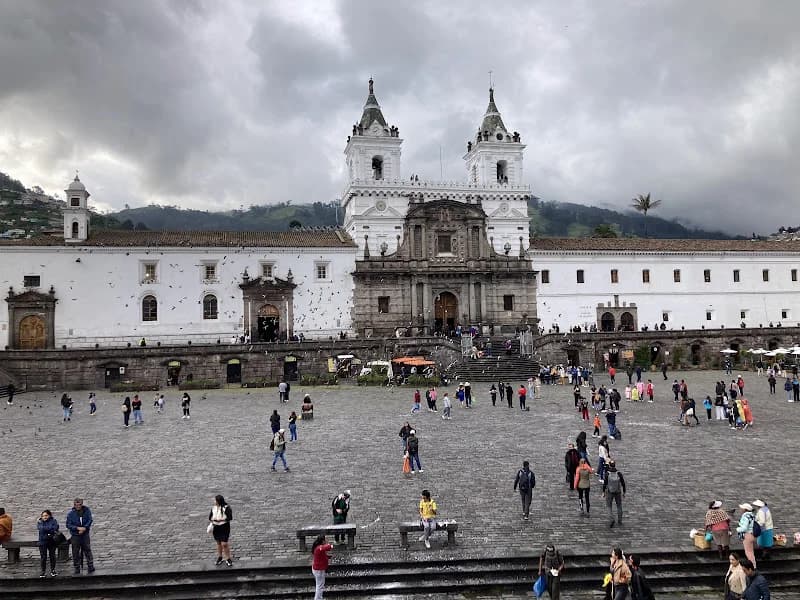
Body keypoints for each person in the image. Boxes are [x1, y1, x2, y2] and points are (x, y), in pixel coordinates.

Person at [66, 498, 94, 575]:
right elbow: (68, 524)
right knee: (75, 552)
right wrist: (77, 528)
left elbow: (90, 520)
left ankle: (90, 565)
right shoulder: (71, 514)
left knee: (87, 550)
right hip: (75, 535)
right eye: (76, 505)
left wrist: (85, 528)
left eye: (79, 505)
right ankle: (77, 567)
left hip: (85, 534)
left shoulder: (87, 511)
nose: (78, 506)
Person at [209, 494, 233, 567]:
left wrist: (221, 520)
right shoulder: (213, 508)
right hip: (216, 527)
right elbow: (210, 517)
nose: (214, 501)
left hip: (224, 527)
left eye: (215, 500)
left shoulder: (226, 508)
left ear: (218, 501)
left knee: (224, 544)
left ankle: (228, 558)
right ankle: (220, 557)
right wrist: (214, 520)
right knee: (218, 543)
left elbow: (230, 517)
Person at [37, 509, 61, 577]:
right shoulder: (40, 522)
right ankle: (43, 571)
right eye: (43, 516)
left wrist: (47, 530)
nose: (44, 517)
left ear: (49, 515)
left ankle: (53, 570)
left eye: (46, 515)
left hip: (51, 541)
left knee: (52, 556)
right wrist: (50, 530)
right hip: (42, 541)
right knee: (43, 557)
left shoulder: (54, 521)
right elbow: (41, 529)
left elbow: (55, 528)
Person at [603, 460, 626, 528]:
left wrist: (603, 492)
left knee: (609, 506)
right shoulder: (619, 473)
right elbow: (623, 483)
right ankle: (620, 520)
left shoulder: (607, 474)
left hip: (610, 492)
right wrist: (624, 492)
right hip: (618, 491)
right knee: (619, 506)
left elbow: (605, 484)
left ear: (609, 465)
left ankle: (611, 519)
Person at [311, 534, 333, 600]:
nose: (325, 541)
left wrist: (327, 557)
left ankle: (319, 598)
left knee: (319, 585)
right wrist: (331, 545)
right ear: (322, 541)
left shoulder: (317, 546)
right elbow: (327, 547)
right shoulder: (319, 548)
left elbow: (322, 554)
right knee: (319, 586)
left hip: (318, 569)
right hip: (319, 570)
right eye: (325, 540)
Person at [736, 503, 757, 567]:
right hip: (752, 534)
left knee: (748, 552)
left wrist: (738, 529)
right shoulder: (752, 515)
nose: (741, 509)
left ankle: (752, 566)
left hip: (747, 535)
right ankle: (753, 565)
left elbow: (744, 528)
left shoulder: (745, 517)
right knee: (751, 551)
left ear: (745, 509)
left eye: (742, 508)